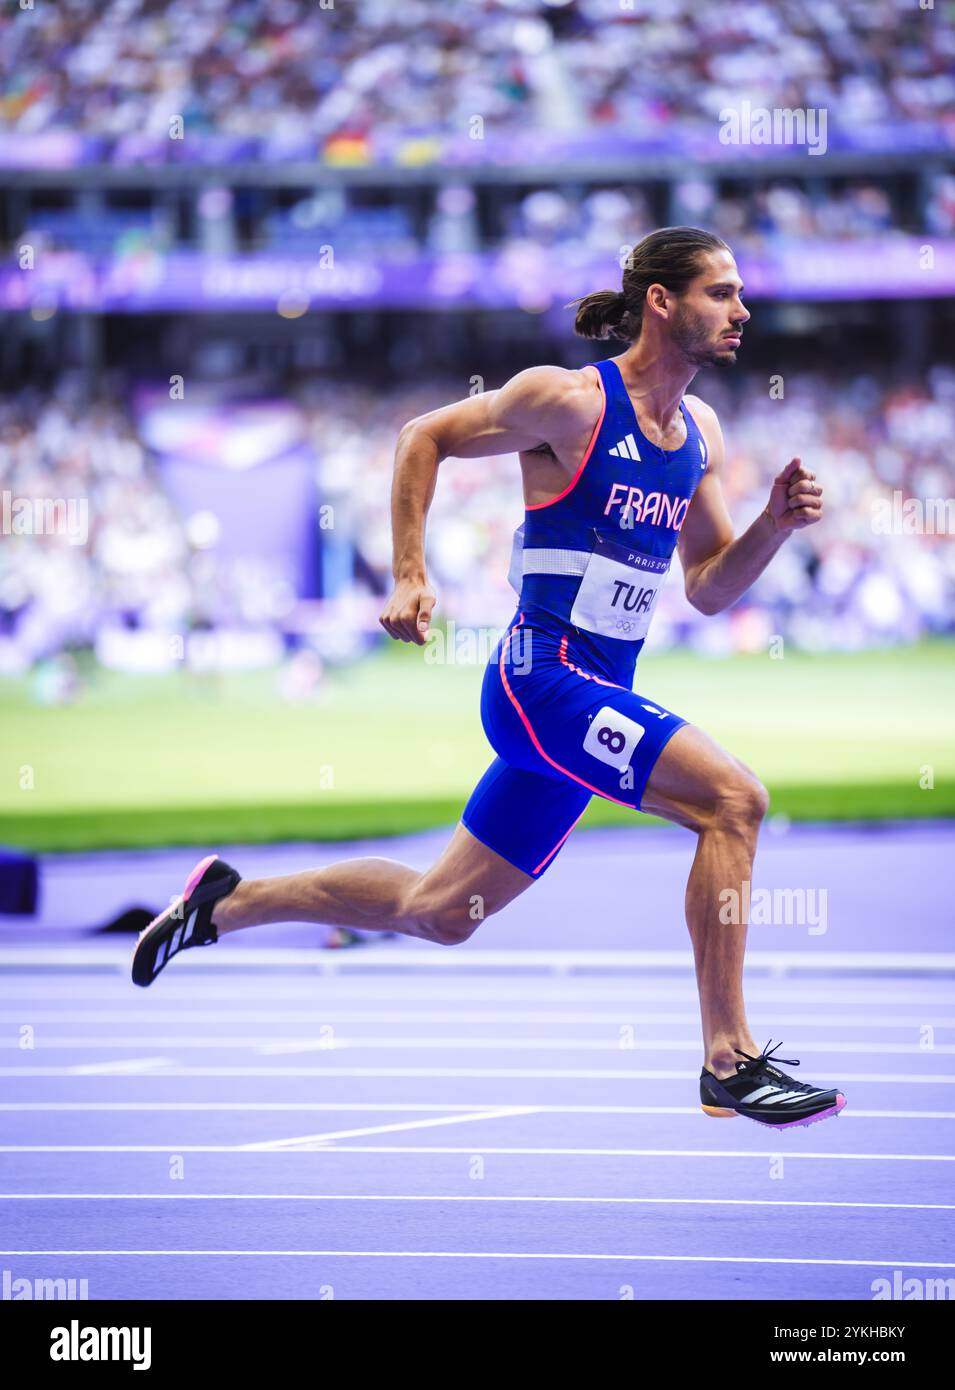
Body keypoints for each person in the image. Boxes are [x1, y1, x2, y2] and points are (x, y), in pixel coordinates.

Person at [132, 227, 845, 1129]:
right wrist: (407, 572)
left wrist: (772, 526)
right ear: (661, 302)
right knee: (734, 802)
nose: (742, 311)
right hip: (537, 683)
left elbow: (706, 587)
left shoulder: (696, 432)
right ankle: (728, 1059)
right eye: (721, 293)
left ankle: (225, 905)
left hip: (586, 708)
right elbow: (421, 436)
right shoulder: (569, 402)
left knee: (442, 910)